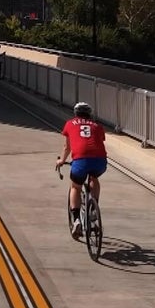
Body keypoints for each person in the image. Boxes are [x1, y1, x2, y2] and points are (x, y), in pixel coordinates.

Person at [55, 101, 107, 238]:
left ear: (75, 113)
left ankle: (77, 219)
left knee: (75, 187)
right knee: (94, 178)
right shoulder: (97, 126)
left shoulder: (70, 124)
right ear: (89, 114)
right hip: (100, 161)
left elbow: (67, 147)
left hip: (81, 160)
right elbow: (99, 140)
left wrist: (62, 161)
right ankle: (93, 208)